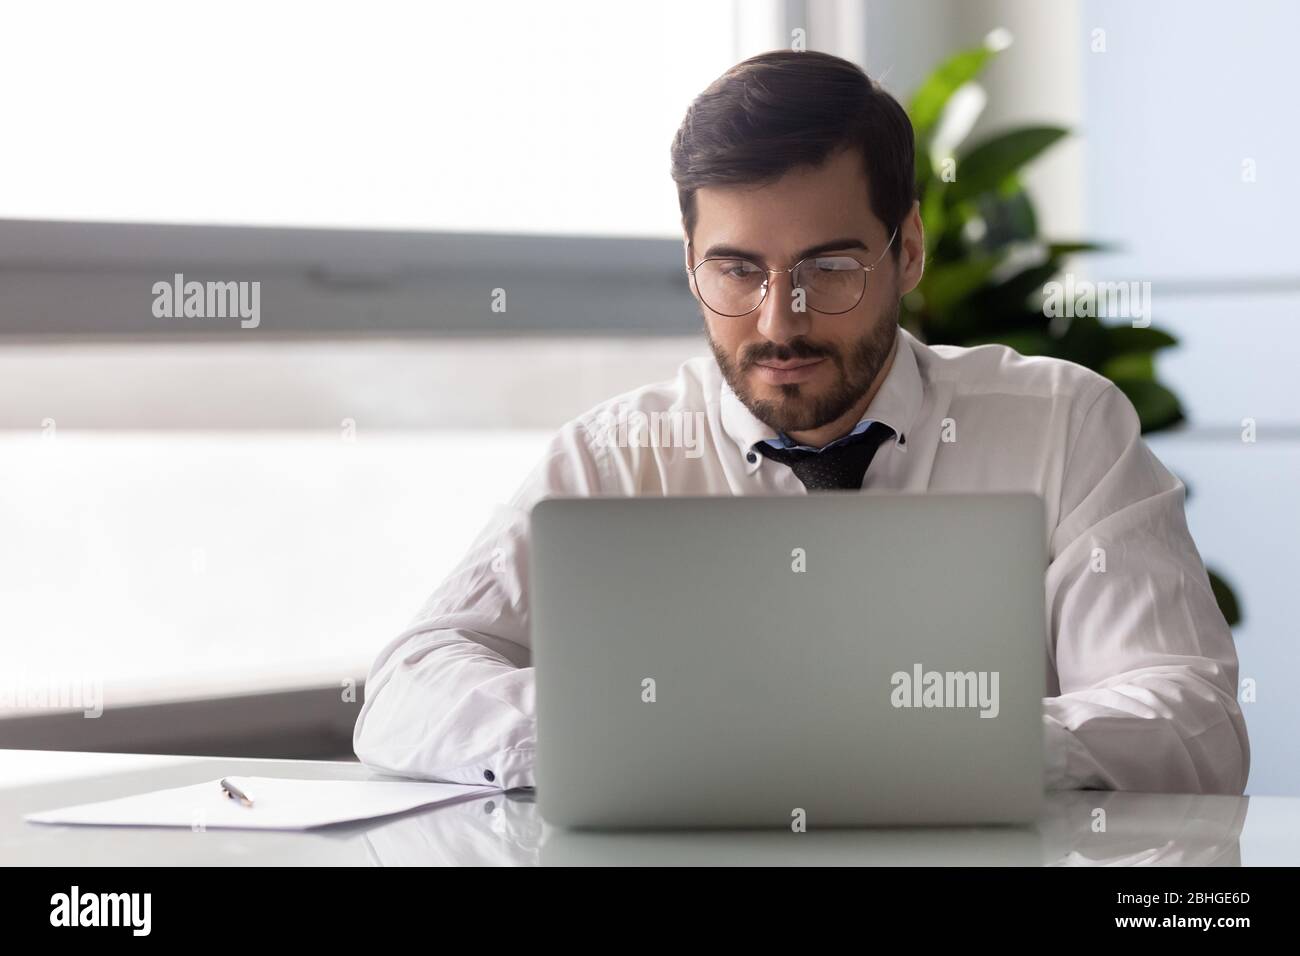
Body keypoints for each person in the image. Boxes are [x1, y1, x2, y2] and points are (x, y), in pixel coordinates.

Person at [353, 50, 1249, 795]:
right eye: (737, 271)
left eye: (828, 269)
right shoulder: (613, 456)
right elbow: (408, 687)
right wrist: (628, 734)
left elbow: (1192, 718)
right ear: (692, 260)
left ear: (908, 251)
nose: (779, 322)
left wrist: (900, 748)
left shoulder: (1064, 424)